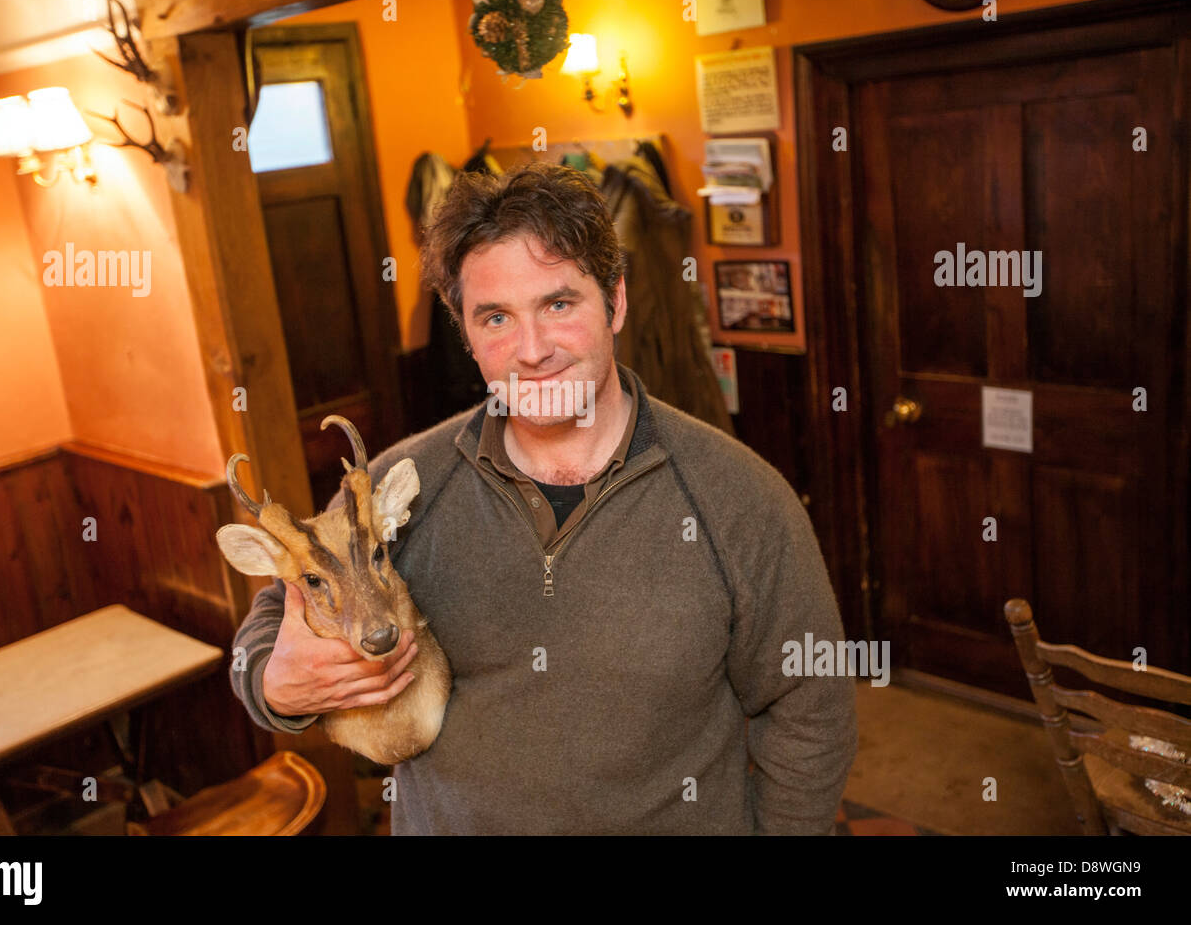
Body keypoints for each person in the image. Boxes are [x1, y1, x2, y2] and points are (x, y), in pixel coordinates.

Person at [229, 163, 857, 834]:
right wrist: (273, 683)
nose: (533, 350)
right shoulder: (396, 487)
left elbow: (811, 711)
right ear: (464, 335)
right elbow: (276, 614)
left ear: (615, 300)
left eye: (559, 305)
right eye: (496, 317)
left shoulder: (740, 498)